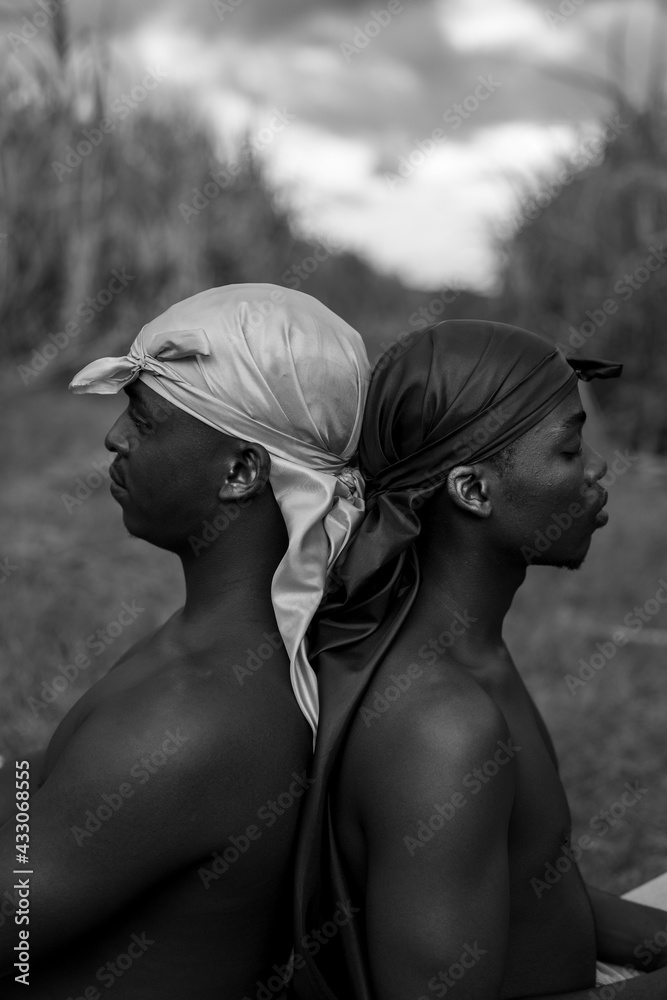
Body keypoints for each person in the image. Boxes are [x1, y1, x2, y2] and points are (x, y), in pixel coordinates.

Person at [0, 284, 369, 999]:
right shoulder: (223, 648)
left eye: (143, 418)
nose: (115, 438)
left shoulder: (197, 712)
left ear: (239, 471)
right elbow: (35, 783)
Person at [292, 320, 667, 1000]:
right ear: (472, 489)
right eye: (568, 447)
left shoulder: (462, 645)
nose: (596, 467)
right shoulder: (440, 726)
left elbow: (535, 886)